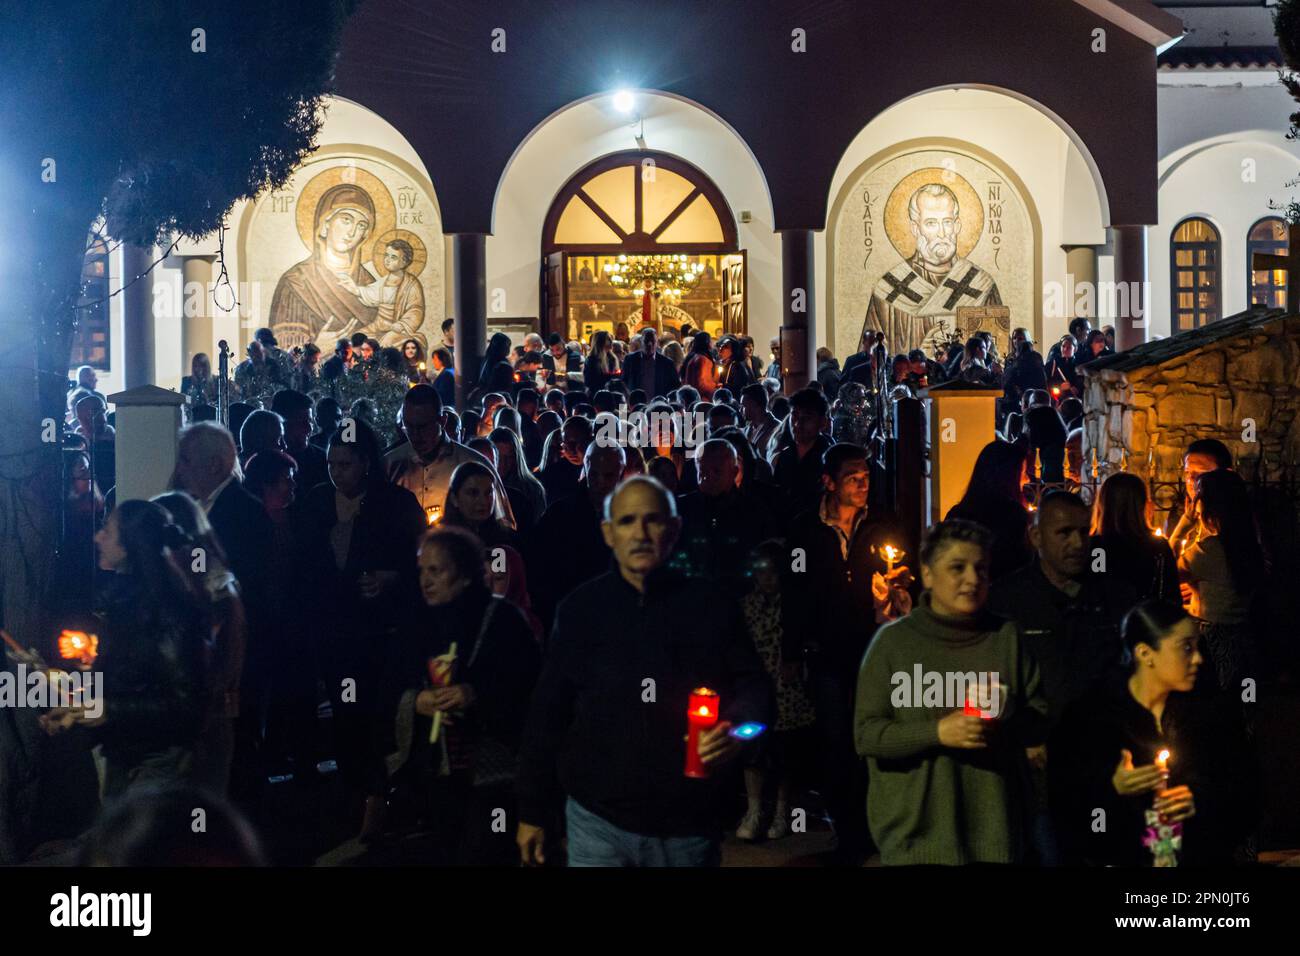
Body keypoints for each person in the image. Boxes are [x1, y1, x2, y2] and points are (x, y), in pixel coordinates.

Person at [515, 476, 772, 867]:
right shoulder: (581, 611)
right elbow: (548, 713)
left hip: (687, 823)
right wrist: (532, 810)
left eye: (652, 520)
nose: (640, 532)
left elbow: (755, 688)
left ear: (674, 528)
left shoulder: (711, 606)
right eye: (627, 521)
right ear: (607, 532)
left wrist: (738, 730)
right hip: (597, 820)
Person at [854, 519, 1049, 865]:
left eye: (981, 569)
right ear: (927, 574)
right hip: (915, 841)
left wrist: (1009, 713)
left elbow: (1040, 718)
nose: (972, 579)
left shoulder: (1005, 637)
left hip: (995, 835)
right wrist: (938, 732)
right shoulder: (893, 644)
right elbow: (867, 735)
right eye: (957, 568)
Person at [1049, 601, 1257, 866]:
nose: (1198, 658)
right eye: (1185, 648)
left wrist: (1200, 800)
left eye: (1197, 646)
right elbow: (1065, 807)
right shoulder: (1093, 719)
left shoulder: (1212, 717)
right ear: (1145, 653)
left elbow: (1248, 795)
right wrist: (1112, 789)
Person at [297, 419, 426, 840]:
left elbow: (418, 561)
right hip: (334, 631)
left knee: (377, 714)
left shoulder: (396, 505)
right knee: (345, 711)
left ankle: (382, 796)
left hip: (379, 632)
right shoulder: (316, 503)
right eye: (332, 463)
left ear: (366, 464)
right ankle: (353, 792)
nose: (337, 472)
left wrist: (391, 579)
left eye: (346, 464)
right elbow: (305, 564)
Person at [785, 442, 911, 863]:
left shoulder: (879, 525)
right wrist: (794, 647)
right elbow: (796, 589)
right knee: (837, 742)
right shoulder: (806, 530)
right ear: (830, 482)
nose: (862, 486)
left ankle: (876, 824)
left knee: (871, 738)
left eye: (866, 478)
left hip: (872, 646)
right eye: (853, 479)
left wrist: (897, 584)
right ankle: (849, 830)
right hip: (827, 650)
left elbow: (902, 574)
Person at [388, 526, 541, 865]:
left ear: (465, 574)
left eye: (436, 571)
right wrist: (417, 700)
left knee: (487, 851)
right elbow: (392, 681)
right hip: (438, 772)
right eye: (422, 571)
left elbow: (528, 686)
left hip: (494, 771)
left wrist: (476, 693)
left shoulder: (503, 620)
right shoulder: (417, 623)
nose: (425, 580)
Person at [43, 501, 209, 797]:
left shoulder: (169, 613)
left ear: (131, 544)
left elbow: (188, 708)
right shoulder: (121, 606)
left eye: (107, 530)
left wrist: (109, 710)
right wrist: (73, 712)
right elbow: (127, 684)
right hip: (126, 756)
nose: (97, 537)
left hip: (159, 766)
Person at [152, 492, 246, 797]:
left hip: (207, 707)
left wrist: (218, 685)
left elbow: (229, 627)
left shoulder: (205, 571)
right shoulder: (195, 570)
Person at [735, 542, 816, 841]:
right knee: (752, 748)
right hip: (756, 687)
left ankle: (783, 812)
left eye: (773, 572)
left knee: (784, 752)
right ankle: (754, 810)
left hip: (786, 688)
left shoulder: (792, 605)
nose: (767, 578)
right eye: (761, 572)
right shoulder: (747, 605)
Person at [1177, 469, 1263, 705]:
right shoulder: (1251, 547)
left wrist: (1185, 524)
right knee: (1239, 706)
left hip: (1210, 640)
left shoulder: (1208, 549)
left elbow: (1171, 568)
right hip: (1242, 640)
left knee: (1210, 705)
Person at [525, 441, 626, 630]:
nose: (600, 483)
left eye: (609, 475)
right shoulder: (559, 515)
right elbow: (538, 570)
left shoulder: (631, 518)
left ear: (621, 473)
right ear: (585, 469)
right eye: (594, 474)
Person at [670, 439, 779, 597]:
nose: (707, 478)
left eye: (716, 471)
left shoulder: (754, 512)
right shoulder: (680, 509)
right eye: (703, 471)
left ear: (734, 472)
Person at [385, 385, 504, 523]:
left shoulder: (474, 463)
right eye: (409, 427)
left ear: (442, 421)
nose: (416, 435)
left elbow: (503, 523)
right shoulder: (389, 465)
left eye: (424, 427)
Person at [945, 438, 1032, 581]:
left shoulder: (957, 514)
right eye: (1023, 473)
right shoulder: (1015, 517)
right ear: (1008, 476)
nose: (1027, 479)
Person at [1089, 472, 1180, 605]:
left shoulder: (1098, 547)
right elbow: (1171, 595)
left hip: (1110, 621)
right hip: (1149, 619)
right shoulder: (1157, 546)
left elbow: (1096, 587)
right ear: (1142, 505)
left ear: (1103, 506)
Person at [770, 388, 834, 516]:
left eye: (807, 417)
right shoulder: (785, 456)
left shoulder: (830, 460)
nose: (798, 424)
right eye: (794, 416)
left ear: (823, 422)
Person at [1165, 438, 1233, 546]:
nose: (1191, 480)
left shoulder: (1238, 517)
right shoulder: (1180, 513)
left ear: (1226, 475)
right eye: (1187, 472)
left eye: (1201, 472)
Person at [443, 460, 517, 550]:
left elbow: (500, 564)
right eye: (473, 493)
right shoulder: (441, 542)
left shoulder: (505, 539)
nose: (483, 501)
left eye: (488, 493)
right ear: (454, 498)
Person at [271, 389, 329, 494]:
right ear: (282, 424)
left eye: (310, 421)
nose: (309, 428)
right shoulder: (268, 461)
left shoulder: (321, 460)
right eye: (301, 422)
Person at [490, 427, 546, 533]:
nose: (502, 464)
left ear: (517, 457)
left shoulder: (532, 489)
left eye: (508, 457)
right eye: (498, 457)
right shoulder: (484, 485)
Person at [538, 414, 592, 505]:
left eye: (575, 443)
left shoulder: (599, 470)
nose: (571, 450)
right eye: (566, 443)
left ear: (589, 441)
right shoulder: (552, 474)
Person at [620, 327, 679, 399]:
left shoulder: (667, 363)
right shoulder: (630, 360)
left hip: (658, 405)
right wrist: (623, 409)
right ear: (641, 341)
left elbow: (675, 387)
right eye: (646, 341)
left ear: (657, 342)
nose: (649, 344)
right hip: (636, 404)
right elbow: (623, 384)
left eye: (652, 341)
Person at [74, 394, 116, 492]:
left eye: (103, 411)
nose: (101, 417)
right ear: (80, 418)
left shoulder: (118, 443)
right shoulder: (75, 448)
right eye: (94, 412)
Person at [475, 332, 516, 399]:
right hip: (498, 399)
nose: (508, 350)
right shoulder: (503, 365)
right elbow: (506, 387)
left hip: (484, 397)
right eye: (507, 346)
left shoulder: (486, 359)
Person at [681, 331, 718, 399]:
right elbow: (701, 384)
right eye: (710, 341)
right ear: (707, 343)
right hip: (702, 399)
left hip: (691, 397)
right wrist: (715, 387)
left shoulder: (691, 357)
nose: (712, 344)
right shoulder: (702, 360)